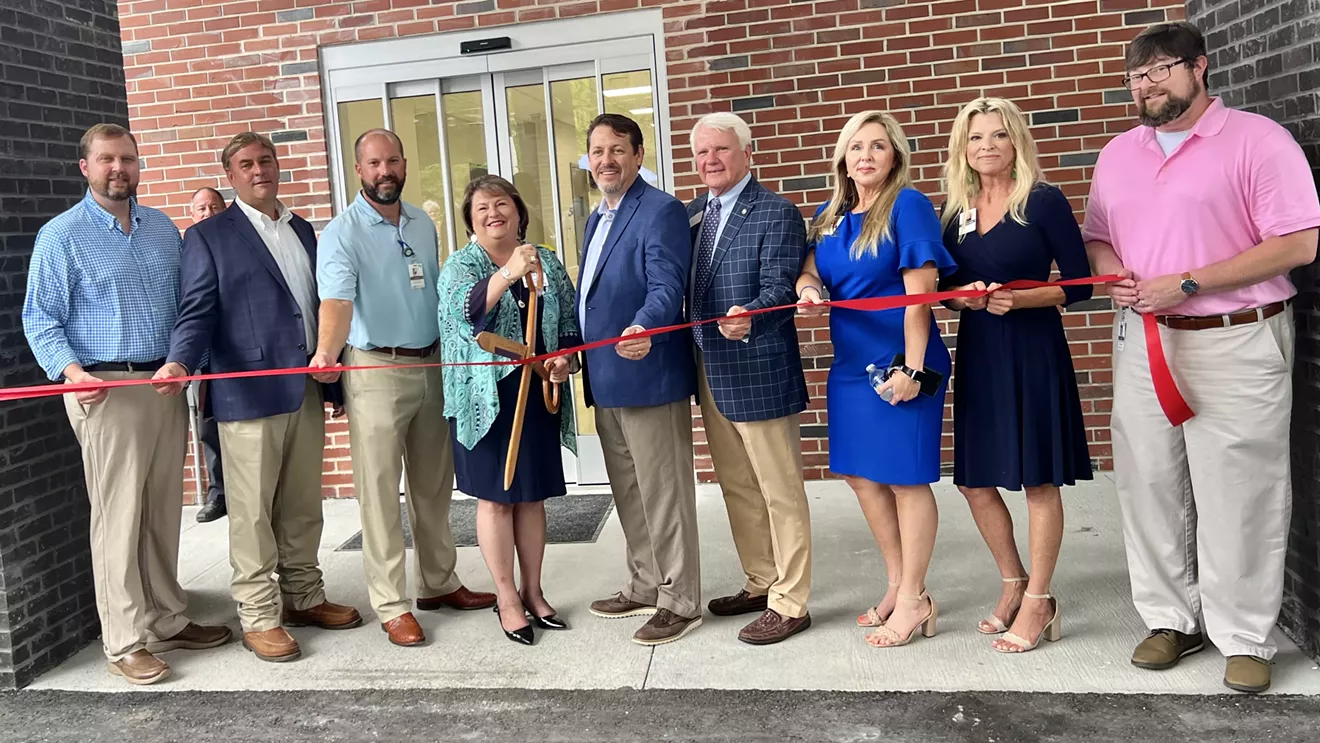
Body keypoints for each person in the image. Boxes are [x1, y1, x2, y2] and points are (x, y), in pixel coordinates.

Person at [1082, 22, 1320, 693]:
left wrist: (1186, 282)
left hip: (1236, 336)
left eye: (1162, 69)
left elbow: (1297, 243)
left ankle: (1245, 635)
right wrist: (1119, 276)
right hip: (1144, 340)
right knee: (1149, 482)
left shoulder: (1256, 140)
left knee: (1239, 487)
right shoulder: (1119, 155)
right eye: (1137, 74)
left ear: (1200, 68)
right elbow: (1099, 239)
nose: (1148, 84)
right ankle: (1170, 618)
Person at [22, 123, 231, 686]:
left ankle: (167, 615)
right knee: (118, 518)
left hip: (163, 385)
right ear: (85, 167)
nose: (120, 169)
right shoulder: (61, 235)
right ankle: (123, 640)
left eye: (129, 160)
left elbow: (187, 307)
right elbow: (39, 317)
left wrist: (185, 365)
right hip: (105, 390)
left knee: (162, 510)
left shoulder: (163, 229)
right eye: (108, 159)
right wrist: (70, 373)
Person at [154, 132, 363, 664]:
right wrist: (181, 360)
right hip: (246, 394)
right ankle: (259, 615)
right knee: (251, 515)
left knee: (300, 505)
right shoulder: (208, 236)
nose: (258, 170)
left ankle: (304, 596)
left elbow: (320, 310)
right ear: (231, 176)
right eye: (245, 164)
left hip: (305, 391)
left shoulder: (302, 229)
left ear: (277, 166)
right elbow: (197, 309)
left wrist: (333, 380)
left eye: (265, 161)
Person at [310, 129, 495, 648]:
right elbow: (337, 302)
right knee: (380, 493)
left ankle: (438, 582)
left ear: (405, 163)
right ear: (358, 170)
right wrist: (327, 351)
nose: (384, 170)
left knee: (434, 485)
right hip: (376, 369)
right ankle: (391, 604)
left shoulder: (422, 222)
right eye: (373, 163)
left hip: (431, 364)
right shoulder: (340, 234)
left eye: (392, 160)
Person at [795, 110, 956, 649]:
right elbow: (812, 268)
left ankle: (914, 598)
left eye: (878, 147)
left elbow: (920, 298)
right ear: (843, 157)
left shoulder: (907, 206)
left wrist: (914, 368)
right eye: (856, 146)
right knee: (862, 476)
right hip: (851, 366)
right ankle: (896, 582)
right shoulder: (832, 213)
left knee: (906, 479)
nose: (865, 155)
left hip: (903, 360)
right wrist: (810, 288)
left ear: (895, 157)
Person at [938, 97, 1093, 653]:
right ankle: (1013, 580)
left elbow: (1080, 285)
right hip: (979, 348)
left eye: (998, 136)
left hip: (1032, 347)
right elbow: (946, 291)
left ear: (1016, 141)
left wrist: (1024, 300)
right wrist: (965, 300)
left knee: (1037, 478)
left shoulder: (1044, 201)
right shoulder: (954, 209)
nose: (987, 147)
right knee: (974, 480)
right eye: (976, 137)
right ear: (963, 147)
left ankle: (1041, 599)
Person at [684, 112, 813, 645]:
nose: (710, 161)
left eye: (721, 150)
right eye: (701, 153)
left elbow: (782, 286)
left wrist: (750, 315)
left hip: (757, 366)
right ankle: (761, 580)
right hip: (709, 369)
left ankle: (792, 601)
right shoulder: (691, 215)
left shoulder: (777, 212)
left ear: (747, 153)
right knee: (737, 485)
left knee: (779, 490)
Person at [437, 175, 579, 646]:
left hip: (536, 391)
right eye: (481, 208)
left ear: (519, 211)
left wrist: (565, 360)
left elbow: (571, 322)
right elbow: (461, 314)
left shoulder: (547, 261)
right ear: (470, 221)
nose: (493, 213)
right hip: (485, 397)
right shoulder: (460, 265)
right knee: (496, 497)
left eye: (502, 204)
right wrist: (507, 274)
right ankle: (506, 598)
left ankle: (533, 590)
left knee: (532, 495)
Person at [578, 113, 701, 646]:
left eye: (617, 150)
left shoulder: (661, 209)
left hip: (647, 370)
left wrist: (645, 324)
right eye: (597, 151)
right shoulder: (595, 218)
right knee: (629, 492)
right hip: (605, 377)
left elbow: (665, 282)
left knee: (664, 492)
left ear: (638, 155)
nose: (606, 160)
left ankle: (681, 600)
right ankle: (646, 582)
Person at [187, 186, 228, 523]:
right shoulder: (188, 244)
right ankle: (219, 493)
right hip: (203, 355)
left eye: (214, 207)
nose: (208, 214)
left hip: (234, 350)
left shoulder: (232, 240)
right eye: (201, 209)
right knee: (208, 426)